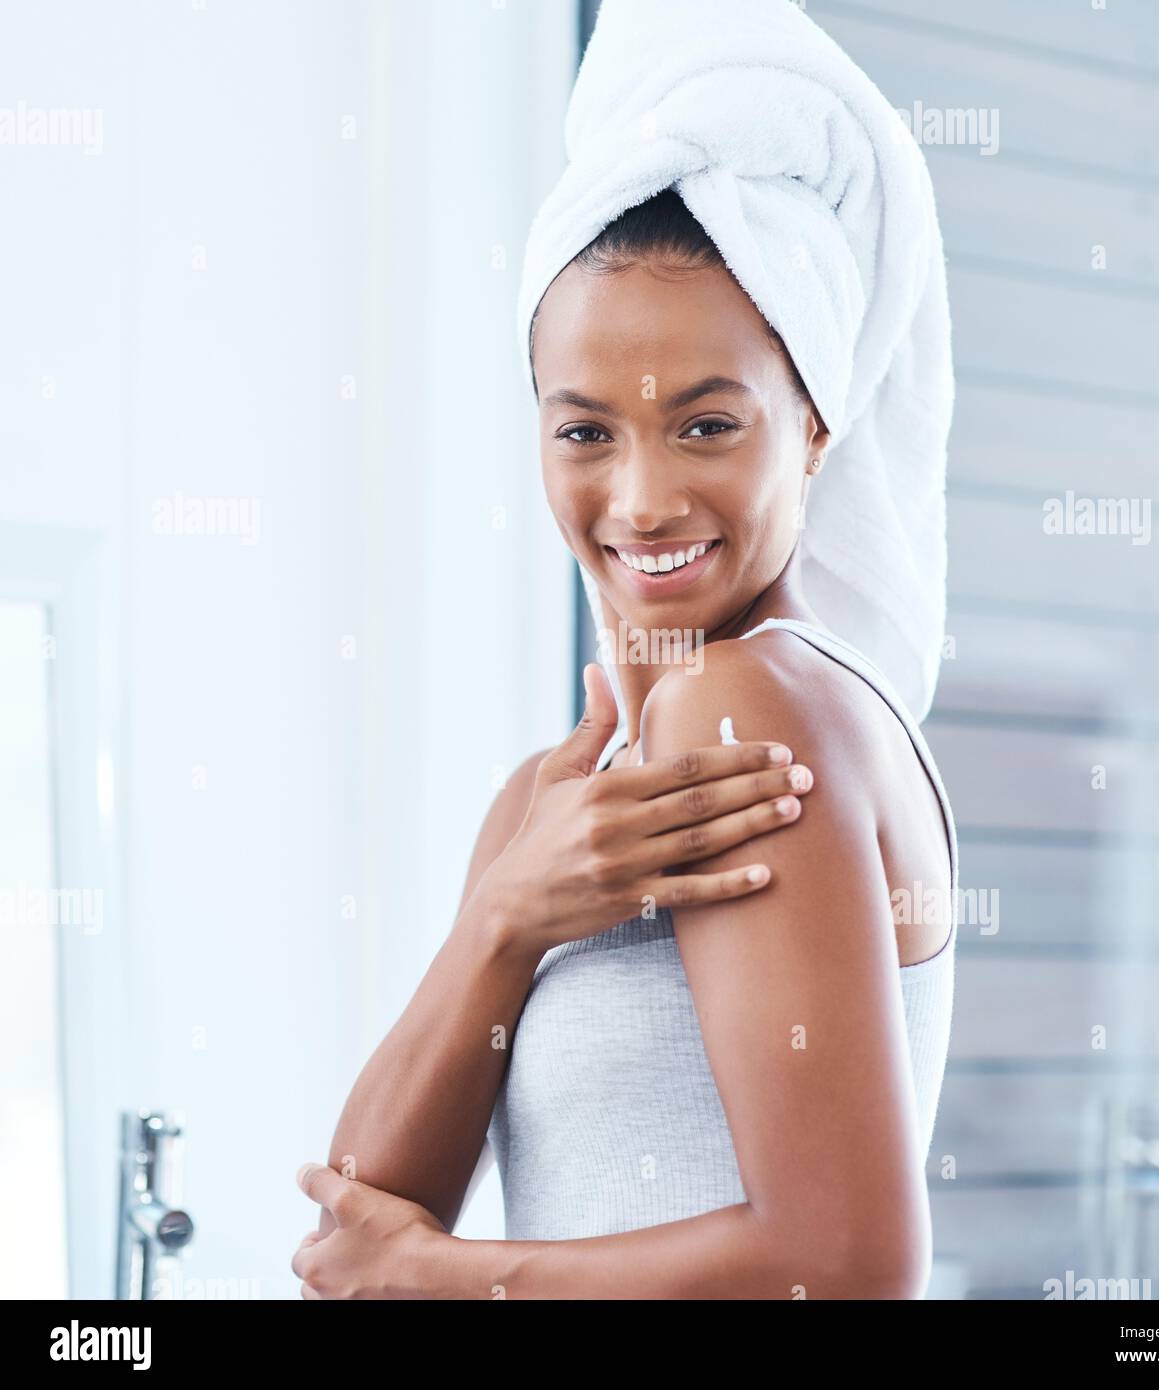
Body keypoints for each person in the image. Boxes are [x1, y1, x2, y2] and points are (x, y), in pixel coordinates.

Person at [295, 0, 958, 1300]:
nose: (642, 498)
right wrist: (505, 915)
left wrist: (458, 1279)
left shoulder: (755, 701)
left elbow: (846, 1262)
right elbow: (353, 1226)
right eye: (585, 430)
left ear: (813, 424)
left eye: (707, 425)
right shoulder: (558, 800)